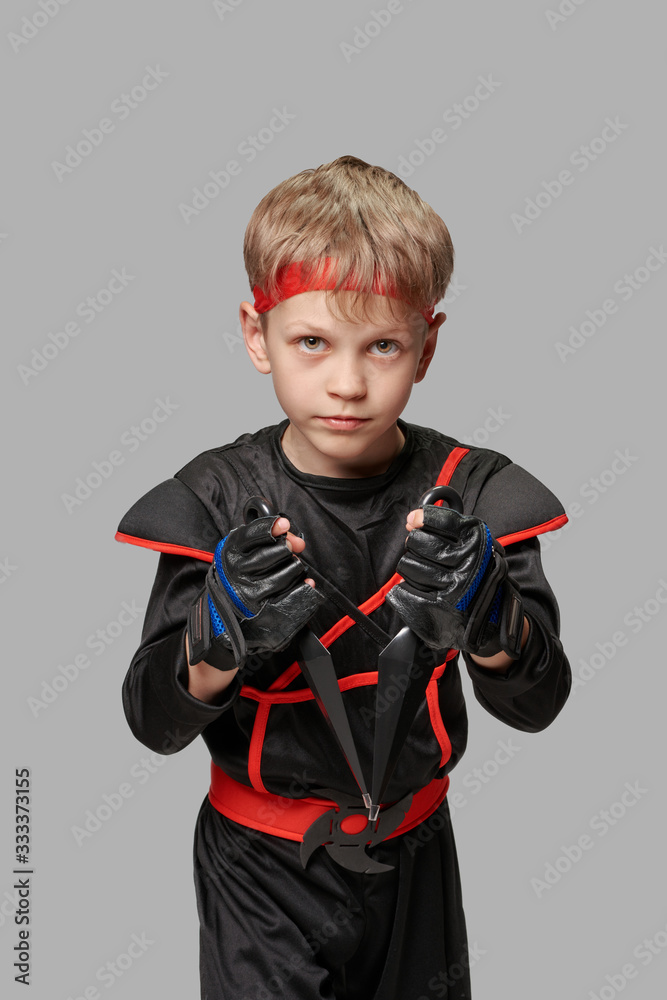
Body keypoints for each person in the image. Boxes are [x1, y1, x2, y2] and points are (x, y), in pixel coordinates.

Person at [116, 155, 571, 1000]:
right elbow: (153, 722)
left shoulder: (472, 495)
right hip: (261, 868)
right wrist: (216, 639)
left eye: (383, 345)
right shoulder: (217, 501)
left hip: (416, 855)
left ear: (426, 345)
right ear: (258, 336)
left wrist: (492, 623)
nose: (348, 382)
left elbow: (536, 707)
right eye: (312, 342)